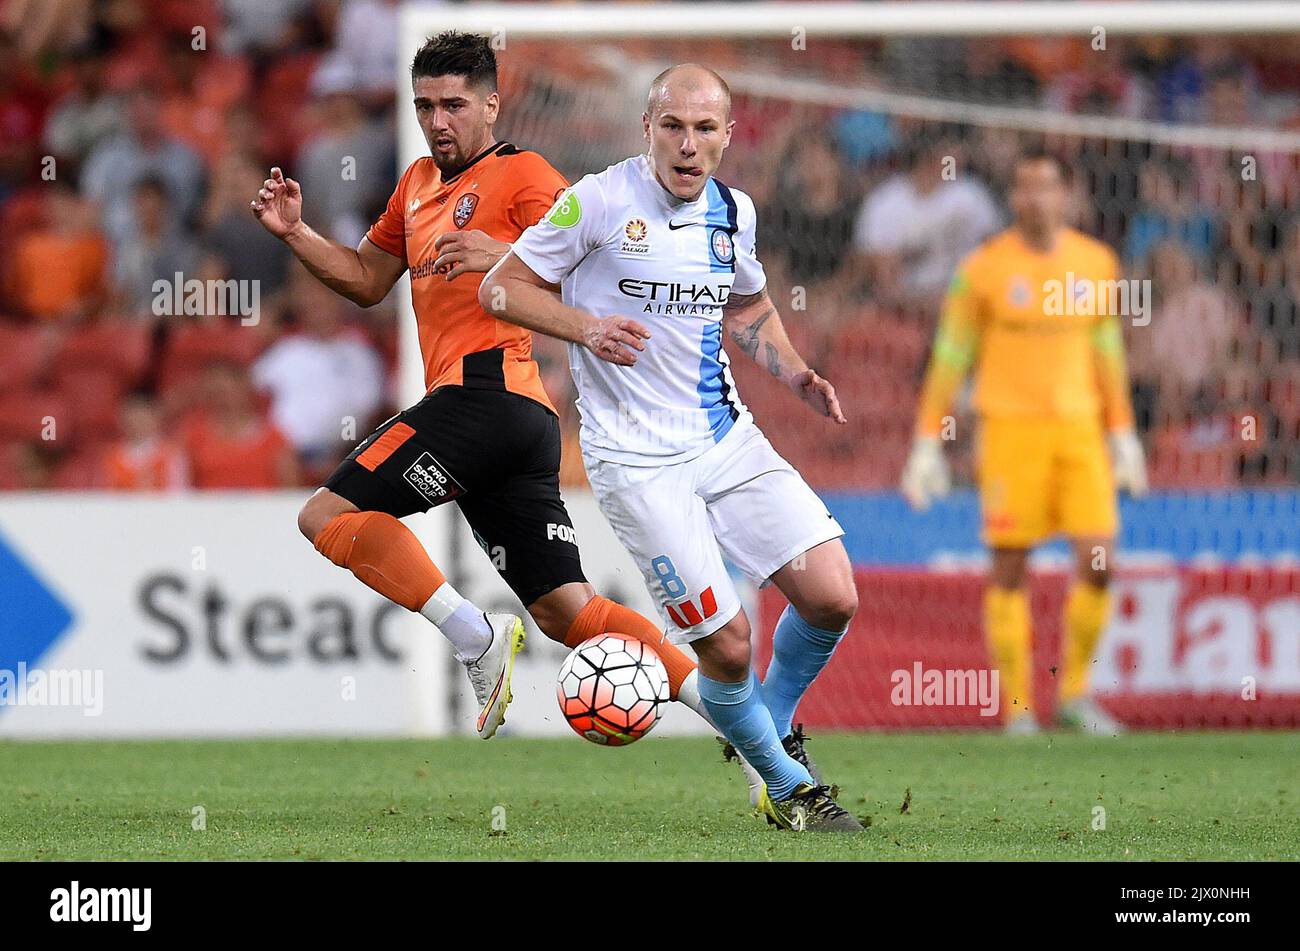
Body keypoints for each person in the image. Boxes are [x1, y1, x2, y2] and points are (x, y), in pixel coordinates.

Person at [250, 32, 707, 742]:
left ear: (491, 104)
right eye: (425, 105)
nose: (438, 121)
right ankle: (739, 722)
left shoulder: (524, 173)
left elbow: (609, 258)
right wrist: (296, 233)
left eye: (454, 105)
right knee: (565, 612)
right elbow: (367, 280)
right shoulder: (416, 186)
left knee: (323, 514)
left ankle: (474, 636)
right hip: (514, 424)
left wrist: (507, 254)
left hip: (485, 394)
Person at [479, 64, 862, 832]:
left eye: (705, 128)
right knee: (726, 646)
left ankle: (770, 728)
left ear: (727, 134)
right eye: (673, 127)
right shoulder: (597, 200)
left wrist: (795, 372)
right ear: (647, 129)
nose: (689, 145)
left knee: (831, 594)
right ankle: (789, 788)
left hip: (724, 435)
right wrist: (586, 328)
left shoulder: (733, 211)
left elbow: (747, 304)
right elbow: (500, 287)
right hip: (635, 461)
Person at [899, 149, 1148, 734]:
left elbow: (1107, 353)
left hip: (1080, 433)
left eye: (1046, 186)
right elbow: (950, 358)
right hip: (1010, 433)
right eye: (1024, 187)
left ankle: (1076, 694)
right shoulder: (984, 269)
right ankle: (1017, 708)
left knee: (1100, 559)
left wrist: (1123, 433)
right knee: (1010, 567)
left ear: (1067, 194)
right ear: (1013, 197)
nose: (1035, 198)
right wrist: (927, 443)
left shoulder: (1096, 262)